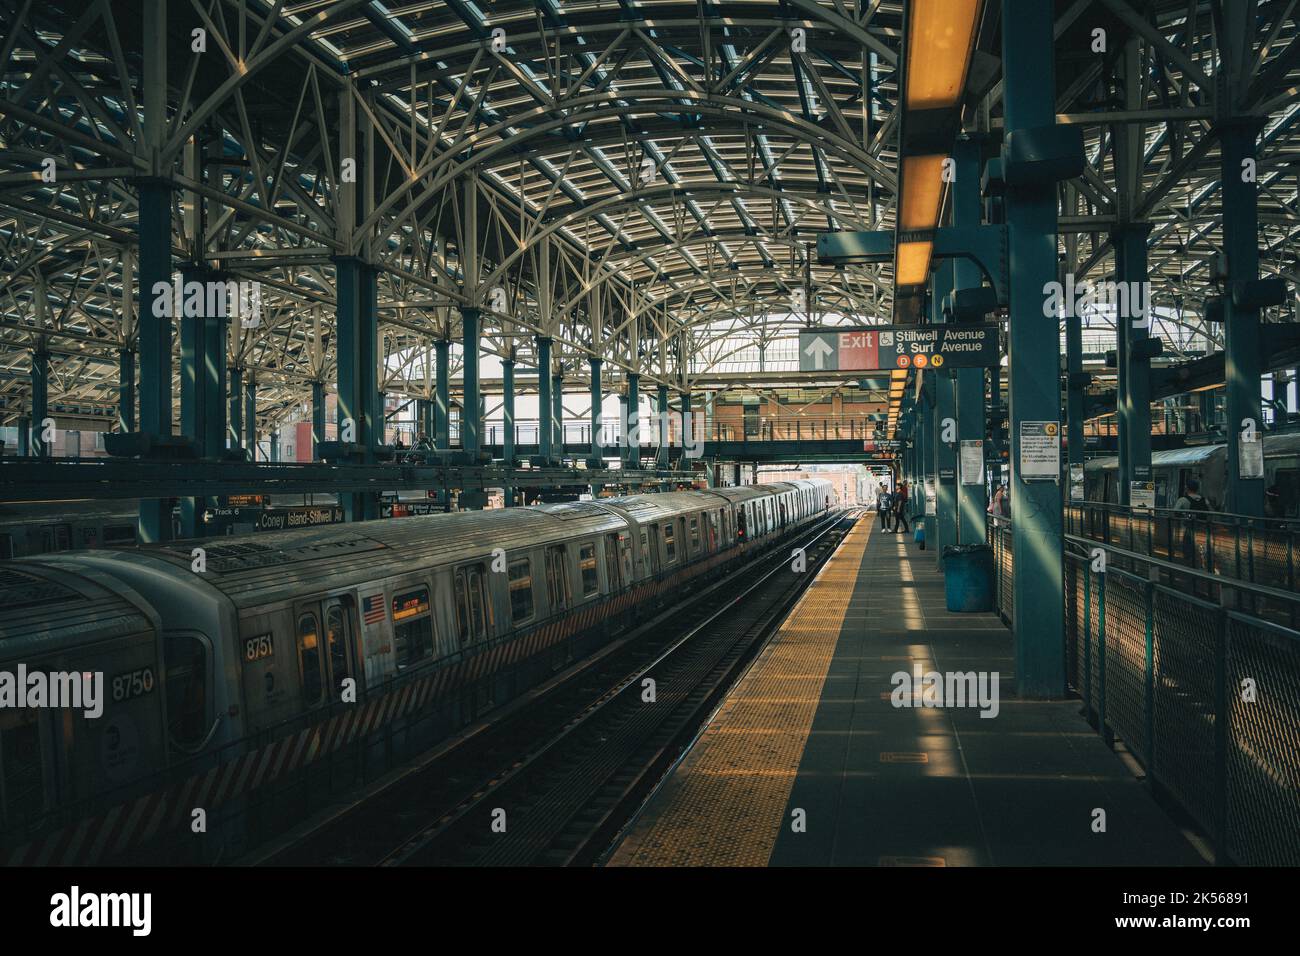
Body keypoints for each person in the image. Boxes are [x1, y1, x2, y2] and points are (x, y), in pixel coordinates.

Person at [1173, 476, 1209, 569]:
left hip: (1189, 528)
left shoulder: (1183, 500)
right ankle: (1202, 563)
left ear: (1187, 488)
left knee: (1188, 547)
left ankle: (1190, 566)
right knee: (1201, 547)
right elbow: (1211, 512)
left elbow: (1174, 512)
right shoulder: (1204, 500)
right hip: (1202, 529)